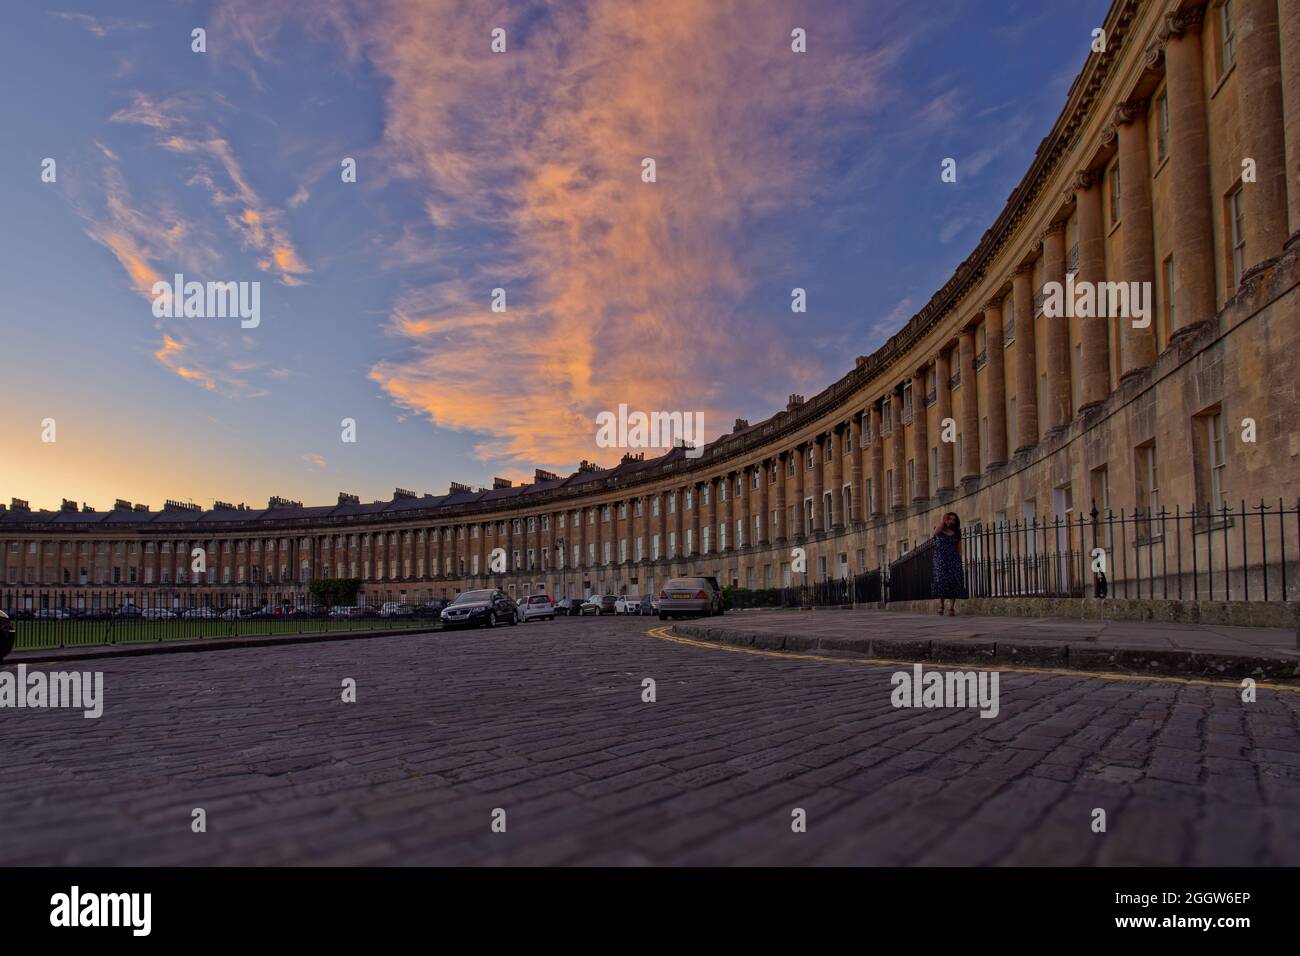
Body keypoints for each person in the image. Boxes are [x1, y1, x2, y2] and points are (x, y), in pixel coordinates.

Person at [931, 512, 967, 615]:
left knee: (954, 581)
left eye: (954, 520)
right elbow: (935, 533)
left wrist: (960, 559)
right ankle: (941, 605)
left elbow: (959, 548)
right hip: (941, 559)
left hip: (953, 559)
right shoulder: (939, 530)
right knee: (941, 580)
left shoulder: (957, 532)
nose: (951, 521)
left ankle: (951, 607)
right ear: (945, 519)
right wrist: (943, 521)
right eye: (949, 519)